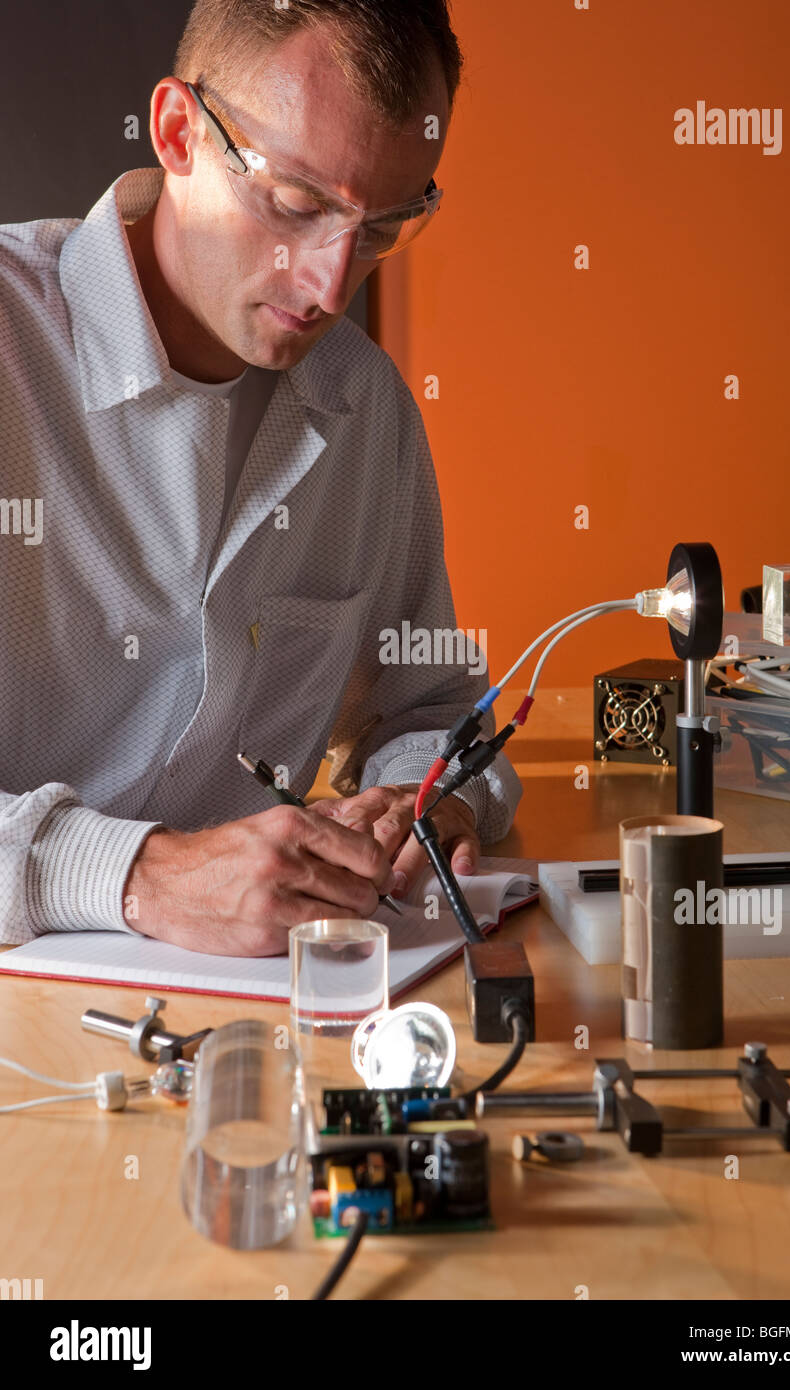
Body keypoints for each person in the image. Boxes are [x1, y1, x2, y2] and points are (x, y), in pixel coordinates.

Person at [0, 0, 521, 956]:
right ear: (176, 133)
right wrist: (140, 876)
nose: (330, 285)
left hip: (245, 1027)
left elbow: (430, 709)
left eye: (381, 229)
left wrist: (423, 799)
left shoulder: (369, 412)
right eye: (296, 203)